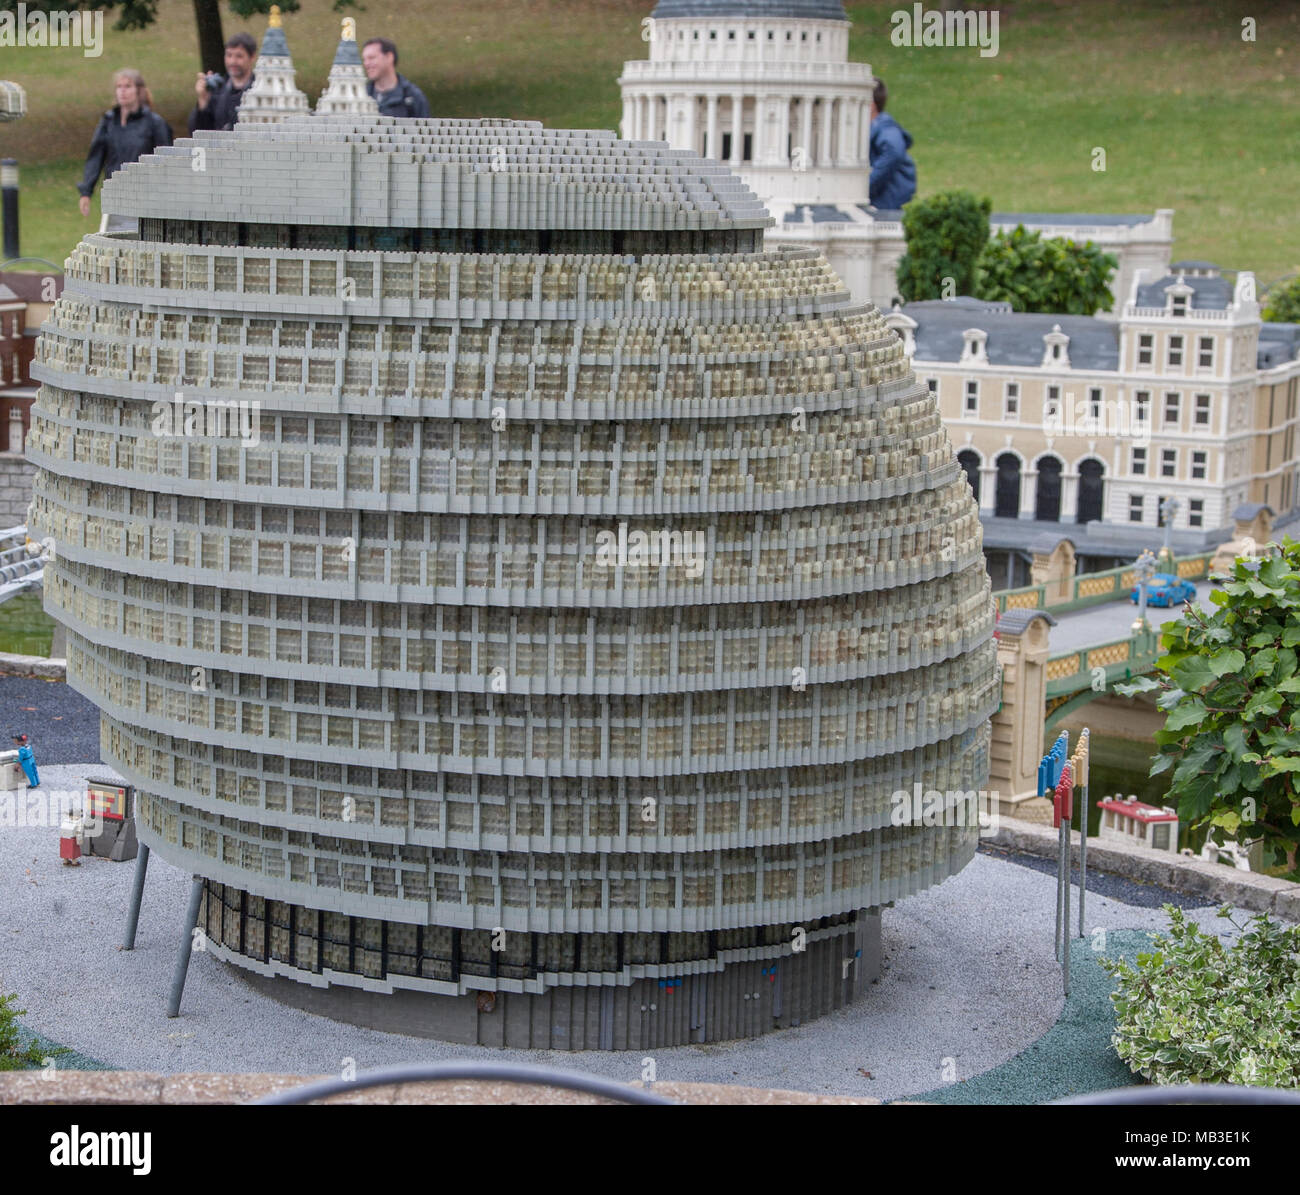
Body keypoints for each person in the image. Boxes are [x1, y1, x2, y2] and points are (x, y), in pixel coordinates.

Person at [77, 69, 173, 219]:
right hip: (114, 197)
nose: (122, 91)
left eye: (127, 86)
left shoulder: (154, 123)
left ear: (139, 91)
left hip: (145, 200)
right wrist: (86, 192)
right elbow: (96, 157)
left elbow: (166, 164)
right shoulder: (108, 121)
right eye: (119, 86)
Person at [189, 31, 256, 133]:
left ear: (252, 57)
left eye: (239, 56)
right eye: (229, 55)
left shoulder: (260, 91)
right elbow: (196, 132)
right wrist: (203, 101)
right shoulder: (216, 90)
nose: (232, 62)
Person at [868, 79, 916, 211]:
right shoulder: (879, 128)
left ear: (871, 106)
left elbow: (894, 151)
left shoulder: (884, 129)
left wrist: (865, 187)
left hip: (886, 206)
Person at [362, 37, 430, 119]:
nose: (366, 64)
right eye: (364, 59)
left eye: (371, 58)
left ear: (389, 57)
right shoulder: (360, 96)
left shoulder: (413, 96)